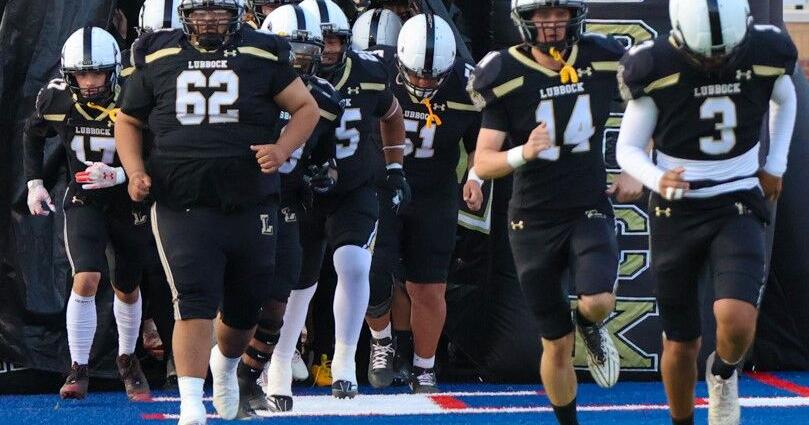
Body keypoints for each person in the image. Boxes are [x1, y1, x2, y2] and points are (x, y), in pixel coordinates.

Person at [115, 0, 319, 423]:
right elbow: (128, 119)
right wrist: (134, 170)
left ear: (237, 12)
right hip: (181, 201)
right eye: (201, 12)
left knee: (246, 307)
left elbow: (306, 108)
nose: (210, 20)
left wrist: (283, 148)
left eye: (219, 11)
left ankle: (224, 367)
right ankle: (192, 406)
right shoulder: (158, 53)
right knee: (193, 299)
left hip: (250, 200)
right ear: (185, 14)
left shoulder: (262, 51)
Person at [616, 1, 797, 424]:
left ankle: (723, 374)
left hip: (737, 197)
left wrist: (776, 165)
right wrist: (657, 178)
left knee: (736, 319)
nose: (716, 60)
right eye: (705, 54)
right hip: (676, 209)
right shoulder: (655, 64)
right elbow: (627, 147)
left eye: (726, 51)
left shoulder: (764, 49)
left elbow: (785, 99)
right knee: (681, 343)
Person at [471, 0, 642, 423]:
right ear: (525, 19)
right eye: (541, 15)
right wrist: (522, 152)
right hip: (532, 219)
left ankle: (590, 323)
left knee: (598, 301)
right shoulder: (505, 72)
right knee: (555, 343)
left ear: (574, 14)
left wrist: (637, 167)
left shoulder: (602, 57)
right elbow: (484, 161)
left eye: (559, 13)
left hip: (587, 205)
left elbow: (651, 105)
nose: (551, 23)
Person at [263, 0, 406, 402]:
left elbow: (392, 113)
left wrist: (395, 166)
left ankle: (344, 361)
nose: (326, 49)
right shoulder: (276, 79)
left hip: (353, 184)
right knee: (298, 282)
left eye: (334, 40)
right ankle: (280, 362)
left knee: (354, 263)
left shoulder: (368, 73)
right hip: (298, 190)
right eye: (319, 41)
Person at [23, 27, 151, 401]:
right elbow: (32, 133)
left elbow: (160, 150)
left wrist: (123, 174)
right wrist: (34, 182)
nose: (90, 82)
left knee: (127, 285)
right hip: (85, 199)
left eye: (97, 72)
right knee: (87, 276)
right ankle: (78, 366)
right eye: (82, 74)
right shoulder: (56, 98)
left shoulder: (136, 94)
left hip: (129, 199)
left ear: (114, 70)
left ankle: (127, 359)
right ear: (69, 74)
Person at [364, 13, 482, 393]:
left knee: (428, 287)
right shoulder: (377, 69)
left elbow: (482, 142)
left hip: (434, 191)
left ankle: (424, 366)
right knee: (370, 272)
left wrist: (475, 177)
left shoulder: (469, 84)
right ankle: (382, 341)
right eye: (415, 75)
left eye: (433, 77)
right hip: (381, 184)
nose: (423, 83)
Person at [235, 4, 343, 415]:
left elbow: (326, 157)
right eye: (290, 51)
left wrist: (323, 174)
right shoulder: (246, 85)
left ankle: (249, 374)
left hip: (288, 201)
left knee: (282, 290)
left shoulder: (324, 98)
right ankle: (224, 368)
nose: (298, 61)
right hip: (244, 198)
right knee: (240, 292)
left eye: (306, 52)